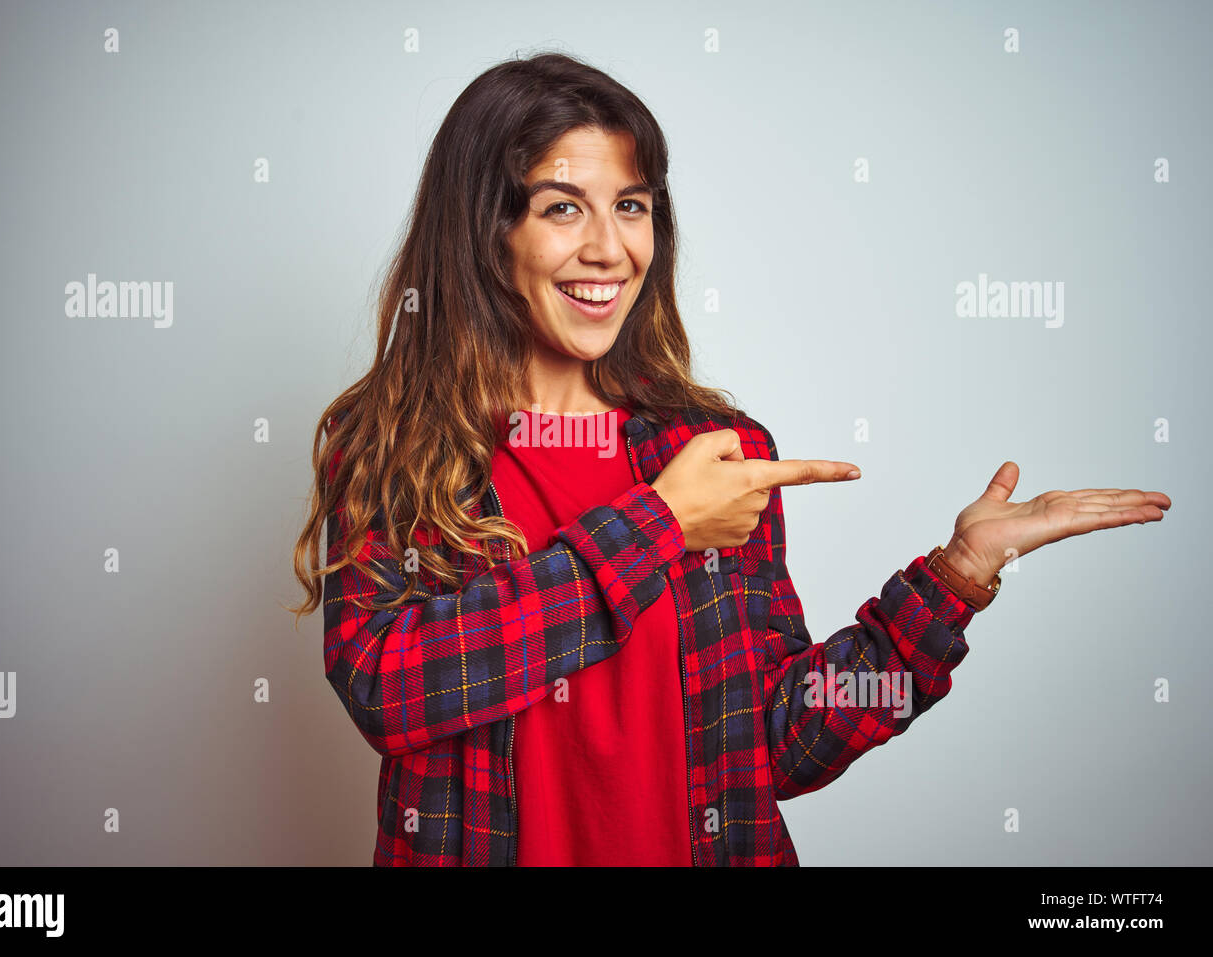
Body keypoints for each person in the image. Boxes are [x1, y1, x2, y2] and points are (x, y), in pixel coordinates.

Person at [289, 51, 1171, 866]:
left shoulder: (714, 451)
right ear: (487, 232)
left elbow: (776, 744)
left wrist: (955, 578)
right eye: (564, 206)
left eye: (630, 205)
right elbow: (389, 688)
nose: (610, 247)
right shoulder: (395, 445)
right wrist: (658, 526)